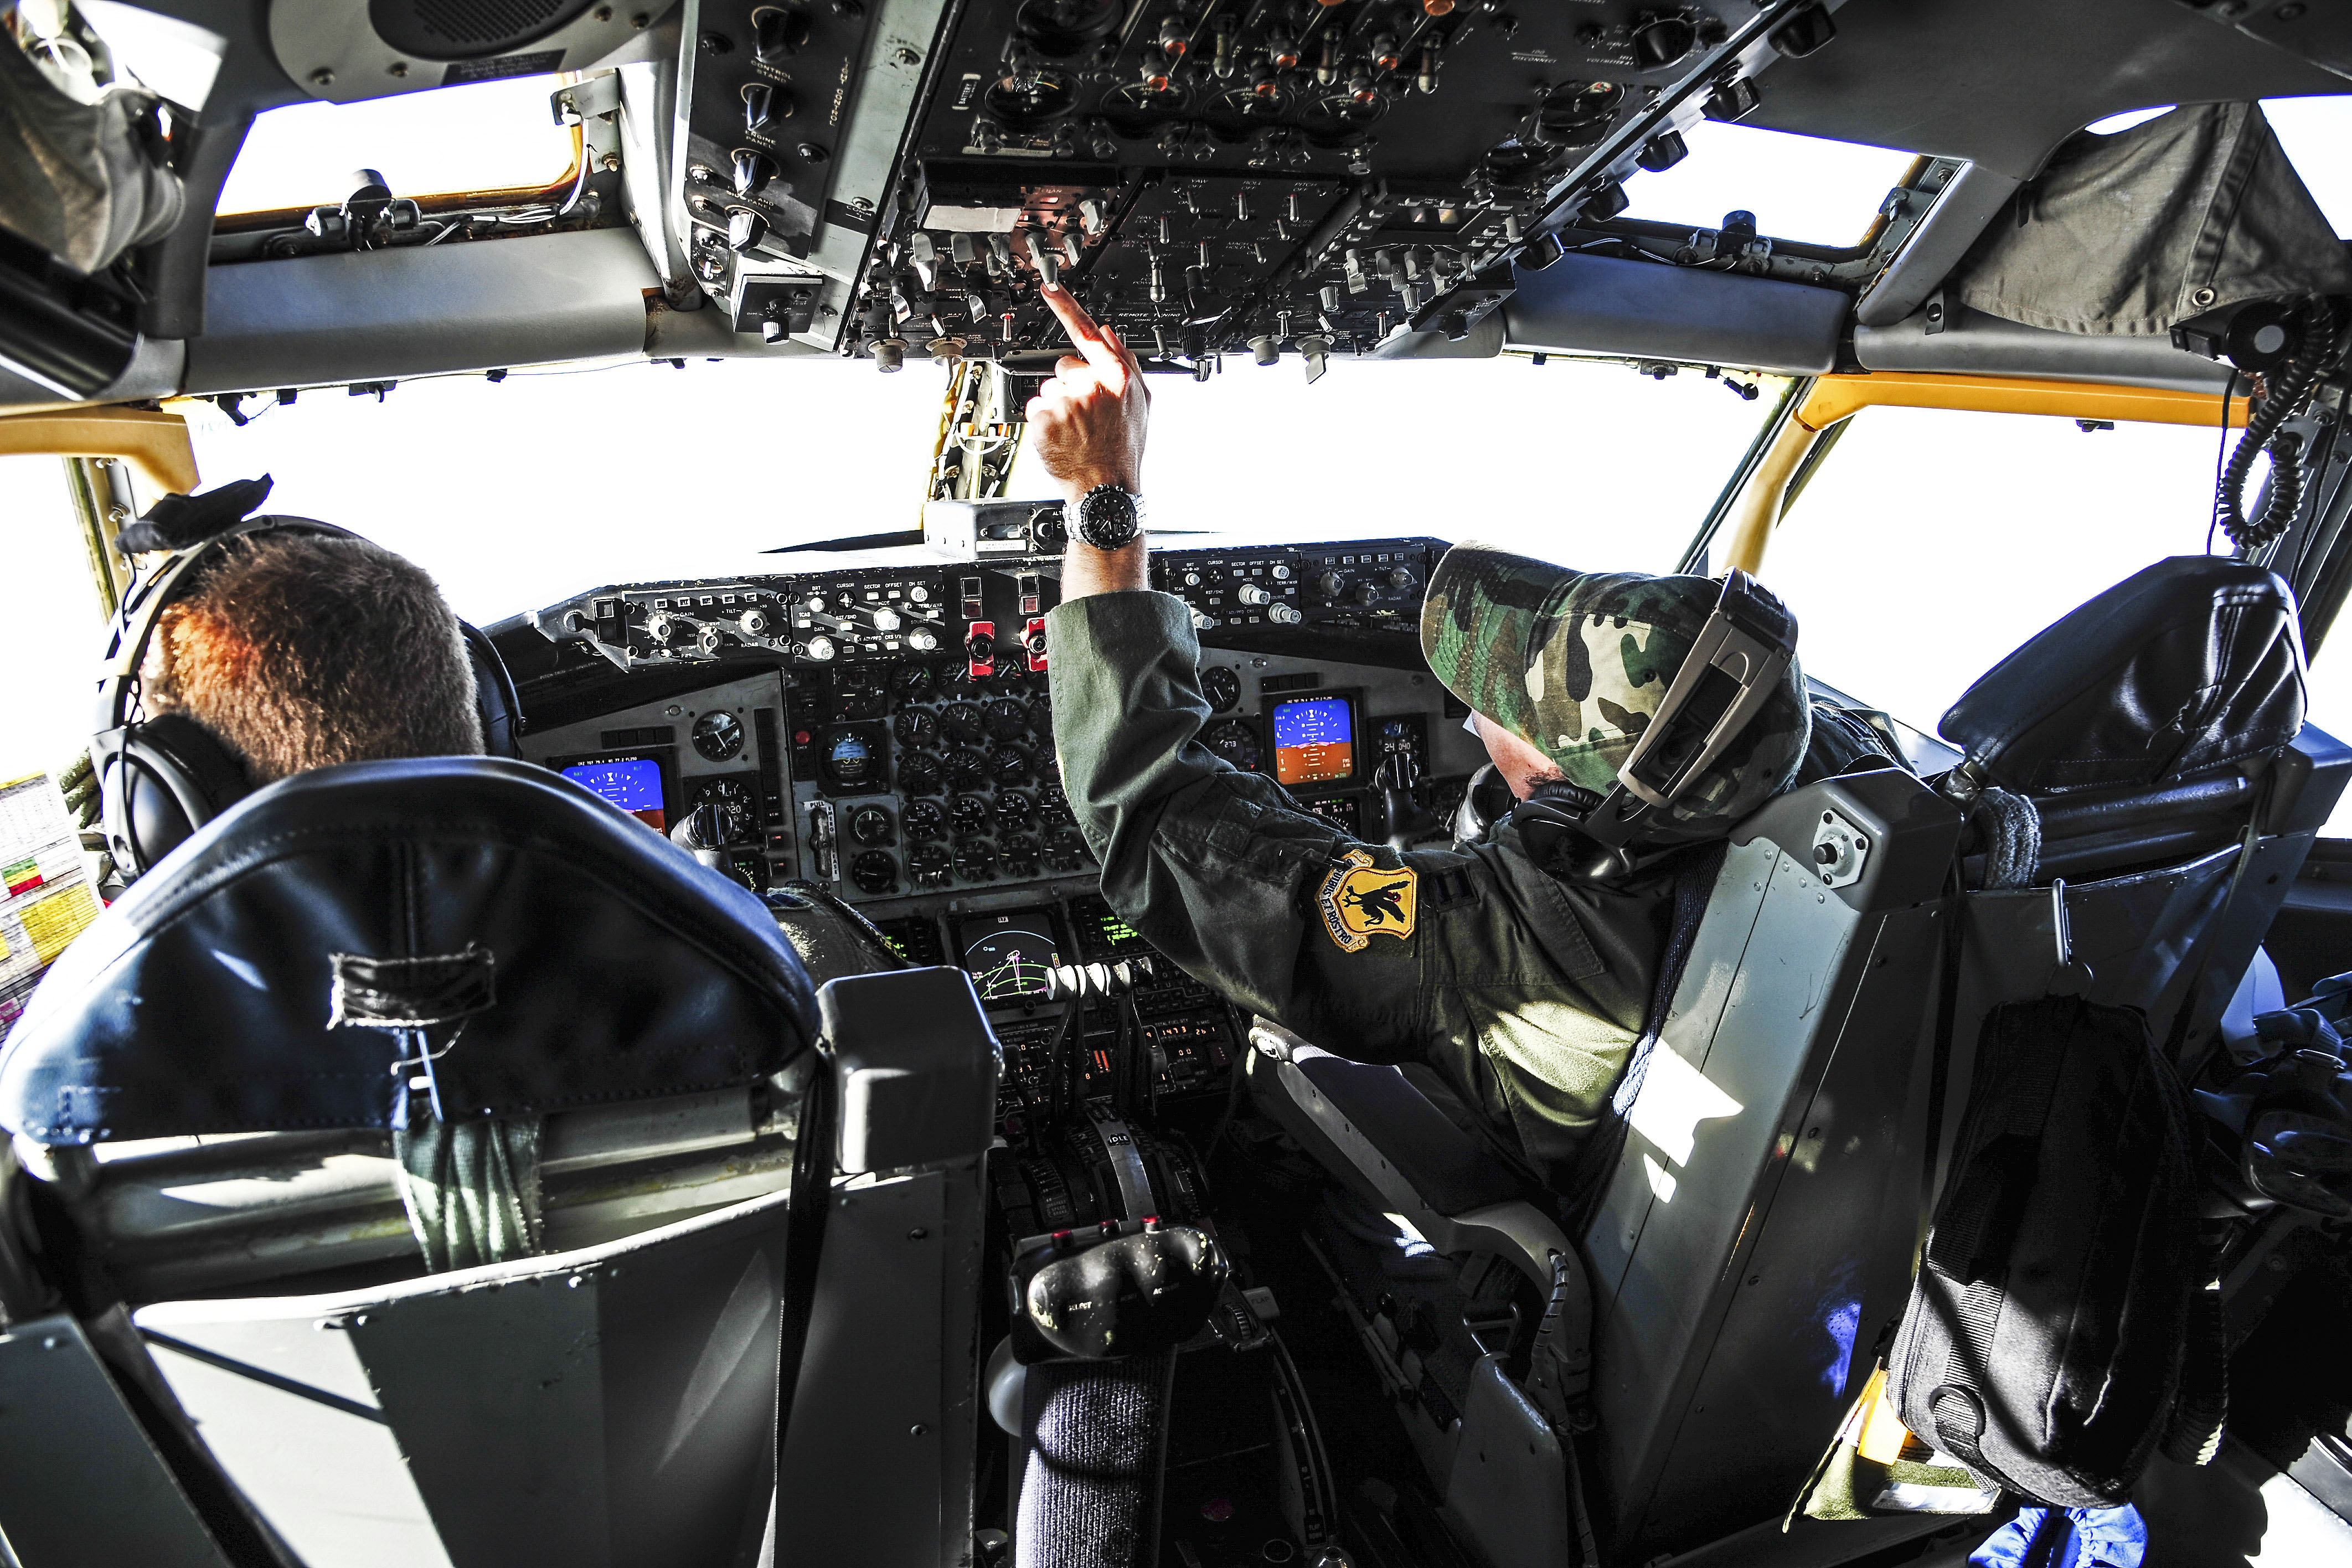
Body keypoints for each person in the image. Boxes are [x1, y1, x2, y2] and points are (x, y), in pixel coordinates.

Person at [1028, 285, 1852, 1192]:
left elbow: (1149, 809)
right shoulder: (1794, 800)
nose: (1472, 703)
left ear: (1548, 781)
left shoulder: (1493, 950)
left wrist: (1104, 495)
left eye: (1498, 692)